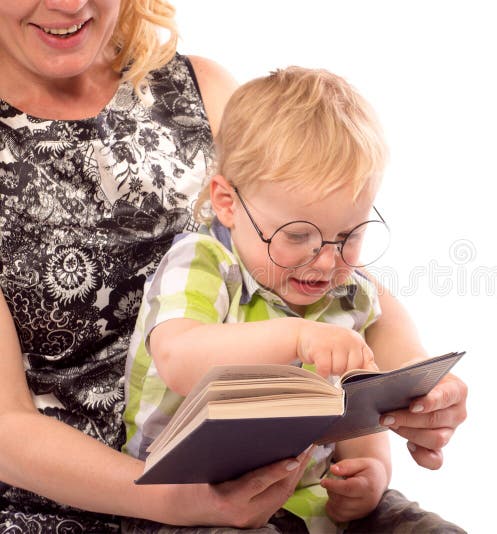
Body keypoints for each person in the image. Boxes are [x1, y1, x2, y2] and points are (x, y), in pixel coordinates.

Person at [0, 0, 468, 532]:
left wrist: (416, 398)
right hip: (95, 500)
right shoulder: (199, 267)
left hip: (294, 479)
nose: (67, 3)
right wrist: (177, 504)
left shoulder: (201, 89)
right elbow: (5, 426)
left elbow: (342, 293)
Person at [121, 66, 464, 533]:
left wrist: (372, 471)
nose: (325, 263)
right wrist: (297, 335)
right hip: (190, 506)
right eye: (297, 234)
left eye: (349, 236)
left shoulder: (347, 290)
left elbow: (366, 399)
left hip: (309, 502)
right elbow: (180, 358)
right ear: (227, 203)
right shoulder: (202, 262)